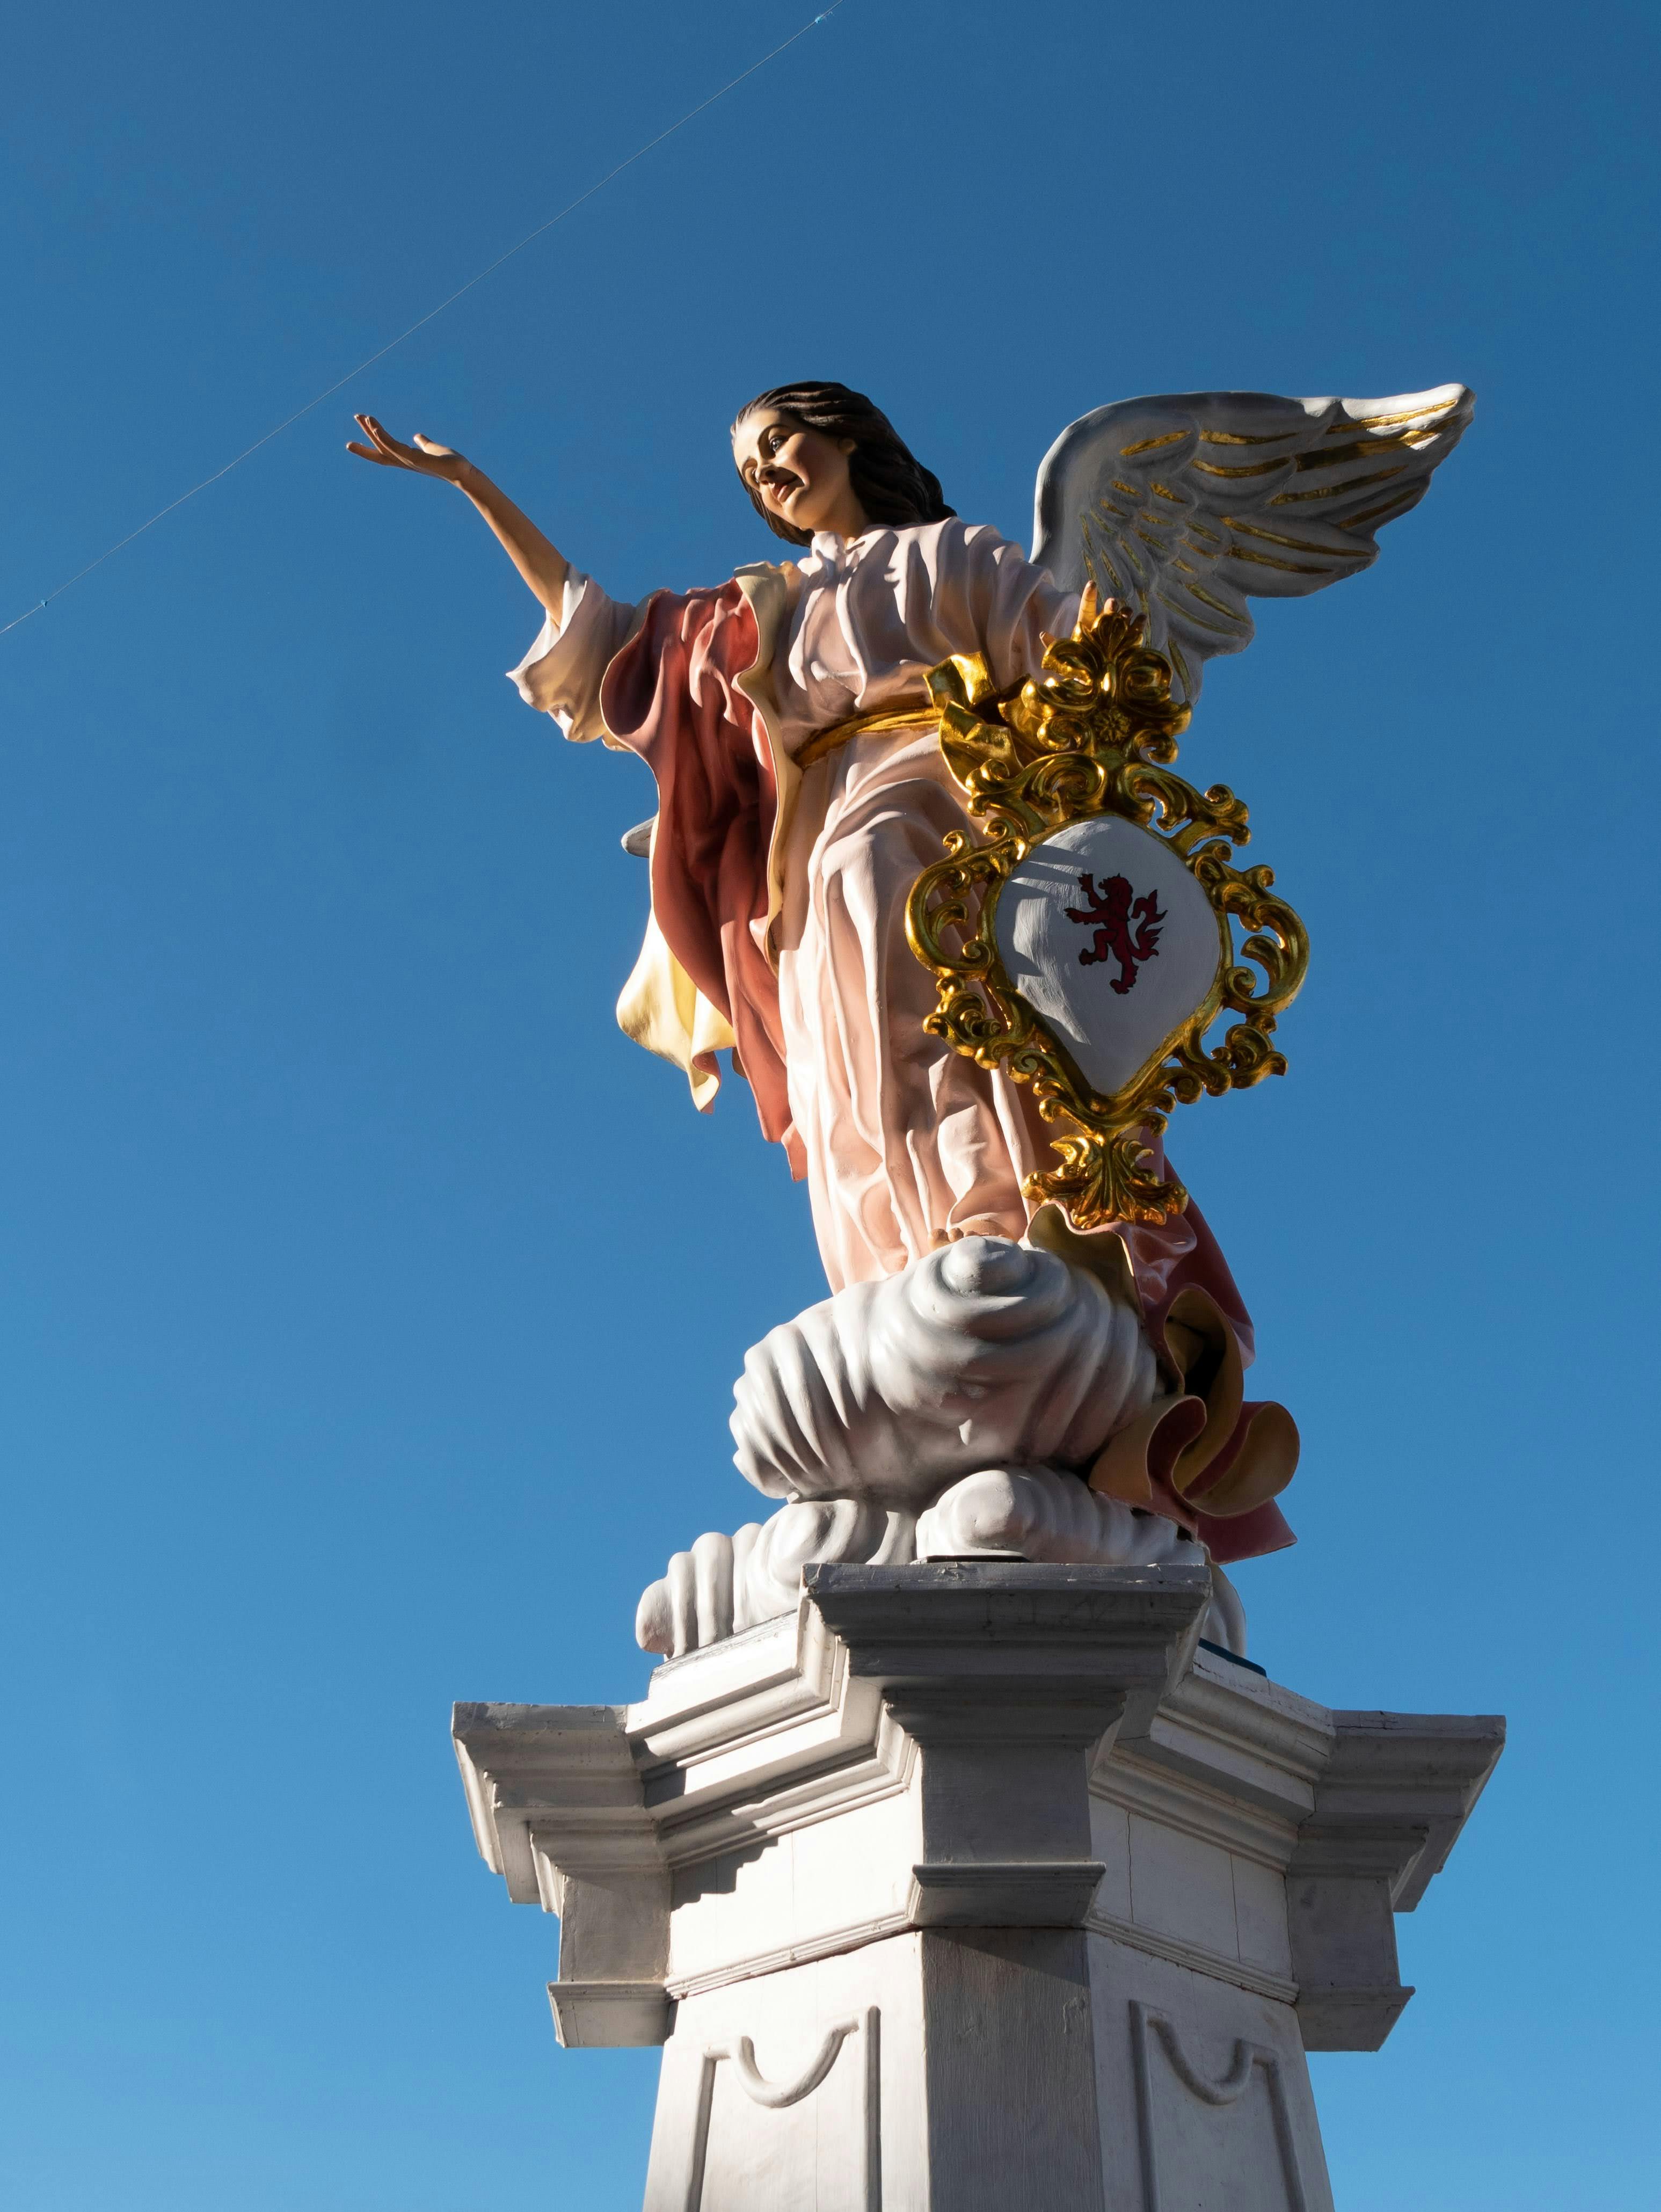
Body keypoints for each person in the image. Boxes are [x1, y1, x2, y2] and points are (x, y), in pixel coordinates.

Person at [348, 383, 1294, 1561]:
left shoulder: (951, 556)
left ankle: (1006, 1227)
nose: (767, 471)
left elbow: (1080, 679)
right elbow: (601, 651)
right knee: (857, 1076)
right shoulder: (752, 612)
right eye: (748, 465)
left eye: (782, 442)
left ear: (850, 440)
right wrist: (477, 489)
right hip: (811, 862)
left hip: (951, 816)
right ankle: (894, 1262)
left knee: (964, 1049)